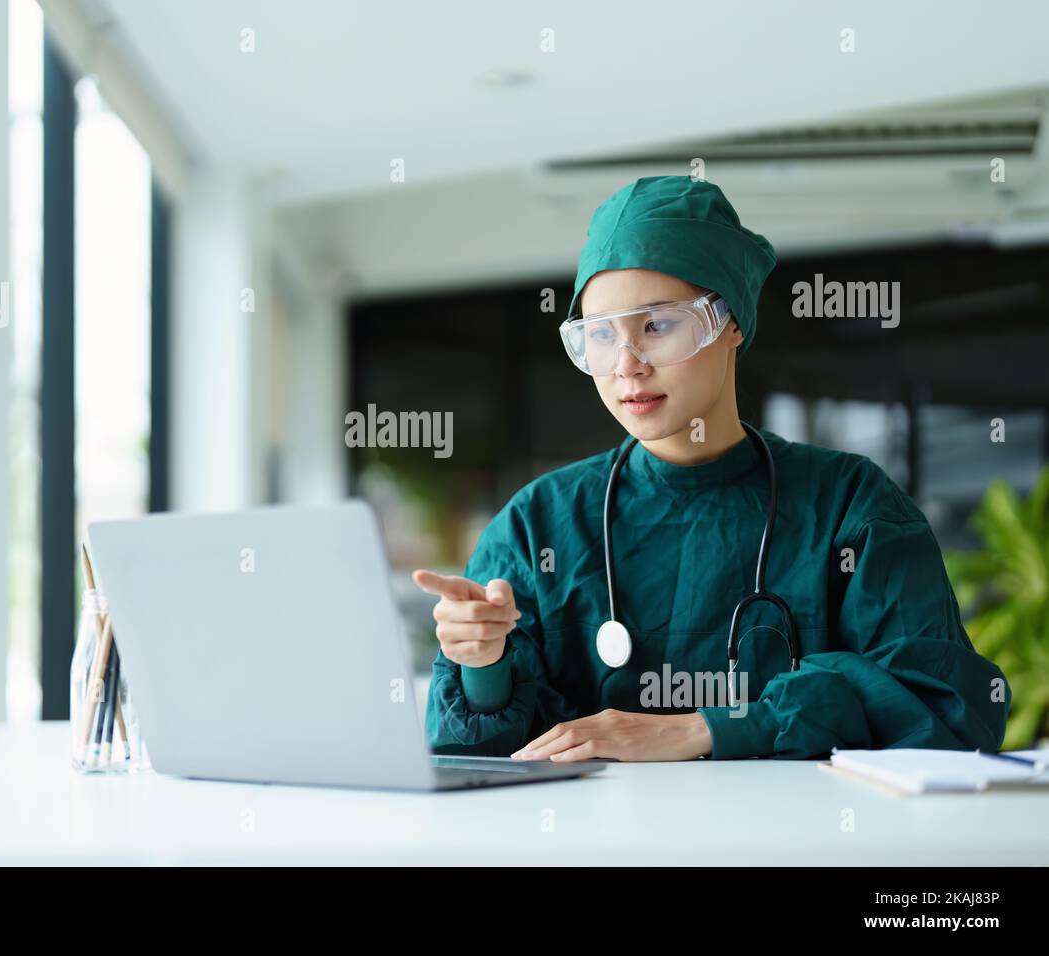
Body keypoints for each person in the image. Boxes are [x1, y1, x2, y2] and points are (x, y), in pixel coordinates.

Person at [413, 175, 1009, 762]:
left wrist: (708, 728)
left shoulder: (851, 506)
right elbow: (486, 762)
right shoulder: (538, 526)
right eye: (600, 335)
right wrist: (483, 664)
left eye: (657, 326)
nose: (628, 366)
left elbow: (946, 705)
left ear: (732, 323)